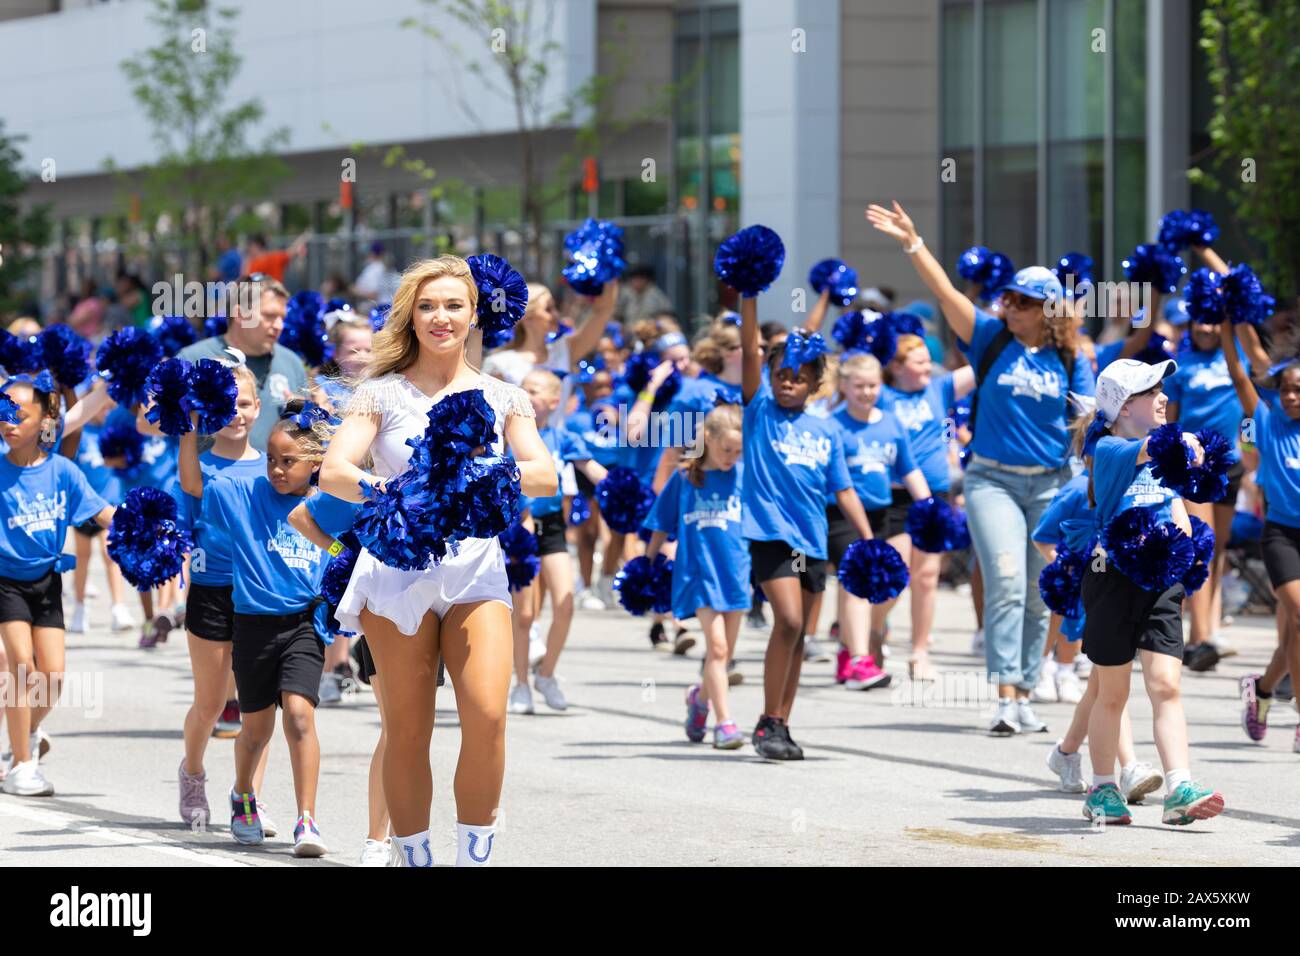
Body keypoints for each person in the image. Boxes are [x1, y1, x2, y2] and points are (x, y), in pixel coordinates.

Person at [320, 255, 556, 867]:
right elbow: (336, 471)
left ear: (476, 313)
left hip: (476, 573)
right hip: (397, 572)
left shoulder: (503, 396)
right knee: (408, 730)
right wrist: (395, 493)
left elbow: (545, 475)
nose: (441, 317)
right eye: (427, 306)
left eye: (454, 304)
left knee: (487, 716)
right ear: (410, 316)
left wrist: (476, 476)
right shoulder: (381, 393)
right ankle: (414, 857)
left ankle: (472, 858)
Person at [868, 201, 1095, 737]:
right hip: (991, 479)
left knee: (1043, 590)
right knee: (1008, 582)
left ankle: (1026, 690)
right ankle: (1003, 697)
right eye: (1008, 298)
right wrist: (913, 242)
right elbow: (947, 293)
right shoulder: (991, 338)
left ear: (1048, 309)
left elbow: (1087, 421)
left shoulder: (1070, 358)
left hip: (1051, 485)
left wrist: (1088, 476)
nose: (1009, 306)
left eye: (1021, 301)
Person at [1073, 358, 1224, 826]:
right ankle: (1101, 787)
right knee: (1112, 693)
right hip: (1113, 578)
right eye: (1149, 392)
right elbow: (1150, 453)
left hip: (1160, 578)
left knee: (1166, 685)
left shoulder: (1153, 447)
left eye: (1162, 390)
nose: (1162, 397)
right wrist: (1187, 440)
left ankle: (1179, 785)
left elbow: (1168, 493)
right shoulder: (1110, 446)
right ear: (1121, 406)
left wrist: (1186, 535)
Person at [739, 290, 874, 761]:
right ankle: (766, 719)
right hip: (769, 534)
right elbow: (752, 346)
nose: (787, 384)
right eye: (781, 376)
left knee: (801, 637)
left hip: (811, 540)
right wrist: (749, 296)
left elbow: (844, 489)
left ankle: (781, 722)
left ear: (816, 382)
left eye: (798, 378)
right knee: (789, 621)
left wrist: (868, 540)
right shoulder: (759, 412)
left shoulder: (826, 429)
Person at [201, 399, 334, 857]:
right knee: (256, 730)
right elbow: (194, 483)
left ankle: (307, 819)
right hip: (254, 626)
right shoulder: (243, 492)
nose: (277, 469)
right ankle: (242, 797)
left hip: (303, 624)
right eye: (272, 459)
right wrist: (189, 428)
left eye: (289, 461)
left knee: (299, 714)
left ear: (316, 462)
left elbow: (344, 555)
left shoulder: (327, 506)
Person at [174, 363, 277, 831]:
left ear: (258, 409)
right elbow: (187, 501)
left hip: (262, 595)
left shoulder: (274, 465)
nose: (236, 413)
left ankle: (249, 796)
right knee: (212, 705)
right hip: (212, 593)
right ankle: (193, 771)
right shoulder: (200, 464)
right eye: (225, 404)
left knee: (258, 706)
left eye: (244, 403)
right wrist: (188, 427)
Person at [0, 375, 115, 797]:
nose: (10, 423)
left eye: (20, 415)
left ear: (46, 419)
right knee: (20, 666)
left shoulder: (62, 471)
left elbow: (103, 513)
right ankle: (22, 768)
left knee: (52, 677)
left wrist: (146, 526)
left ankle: (21, 739)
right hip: (4, 579)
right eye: (4, 414)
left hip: (47, 580)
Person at [1032, 470, 1163, 800]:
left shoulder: (1139, 487)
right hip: (1096, 597)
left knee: (1101, 686)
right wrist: (1071, 571)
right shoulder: (1078, 489)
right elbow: (1042, 535)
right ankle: (1129, 766)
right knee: (1110, 686)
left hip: (1126, 596)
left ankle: (1065, 752)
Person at [644, 403, 749, 748]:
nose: (731, 457)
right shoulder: (686, 477)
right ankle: (726, 723)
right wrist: (648, 562)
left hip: (735, 574)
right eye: (725, 449)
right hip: (699, 574)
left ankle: (699, 700)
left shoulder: (744, 476)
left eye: (737, 451)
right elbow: (661, 521)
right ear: (709, 439)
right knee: (716, 649)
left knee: (723, 655)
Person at [826, 352, 932, 689]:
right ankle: (859, 660)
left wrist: (929, 506)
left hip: (885, 511)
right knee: (857, 581)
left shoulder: (890, 422)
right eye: (859, 386)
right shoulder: (833, 425)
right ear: (844, 386)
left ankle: (862, 635)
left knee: (896, 576)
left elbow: (908, 468)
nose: (867, 392)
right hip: (843, 514)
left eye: (872, 385)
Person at [508, 369, 607, 714]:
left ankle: (546, 674)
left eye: (536, 390)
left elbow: (592, 469)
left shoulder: (563, 437)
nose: (528, 394)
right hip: (516, 525)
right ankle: (520, 684)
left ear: (553, 400)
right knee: (524, 613)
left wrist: (621, 490)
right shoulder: (508, 436)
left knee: (565, 602)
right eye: (525, 388)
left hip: (551, 527)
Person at [878, 332, 976, 680]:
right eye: (918, 362)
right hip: (894, 495)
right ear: (896, 366)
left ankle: (919, 651)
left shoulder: (938, 389)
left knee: (928, 577)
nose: (926, 367)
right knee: (897, 570)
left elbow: (980, 365)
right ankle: (874, 631)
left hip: (934, 495)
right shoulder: (882, 394)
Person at [1222, 322, 1300, 753]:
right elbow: (1241, 373)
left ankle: (1264, 689)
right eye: (1285, 388)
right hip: (1282, 536)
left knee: (1292, 636)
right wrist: (1229, 324)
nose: (1290, 396)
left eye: (1299, 390)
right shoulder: (1267, 422)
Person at [177, 276, 307, 452]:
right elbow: (148, 424)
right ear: (239, 314)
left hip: (270, 479)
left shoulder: (291, 363)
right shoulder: (192, 359)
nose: (279, 325)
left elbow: (305, 436)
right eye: (269, 316)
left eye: (282, 317)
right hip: (205, 477)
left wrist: (308, 414)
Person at [481, 280, 617, 429]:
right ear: (528, 316)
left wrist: (608, 273)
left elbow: (603, 312)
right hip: (516, 450)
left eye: (555, 308)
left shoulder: (563, 349)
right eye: (548, 309)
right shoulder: (500, 363)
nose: (556, 314)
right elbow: (491, 421)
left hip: (558, 448)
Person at [244, 232, 308, 284]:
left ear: (256, 245)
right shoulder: (276, 257)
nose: (249, 249)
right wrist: (303, 238)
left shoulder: (254, 263)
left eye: (250, 246)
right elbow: (292, 251)